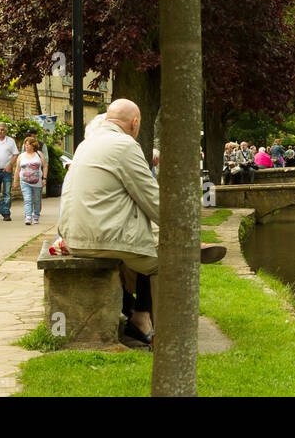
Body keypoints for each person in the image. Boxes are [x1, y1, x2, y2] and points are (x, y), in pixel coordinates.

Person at [59, 99, 224, 347]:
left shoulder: (85, 145)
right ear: (134, 123)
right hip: (100, 237)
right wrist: (186, 232)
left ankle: (139, 316)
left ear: (106, 119)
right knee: (167, 261)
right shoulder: (125, 145)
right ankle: (170, 338)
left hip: (74, 236)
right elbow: (152, 197)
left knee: (143, 247)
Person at [17, 136, 46, 226]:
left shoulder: (39, 154)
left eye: (28, 144)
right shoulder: (21, 156)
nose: (26, 146)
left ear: (33, 145)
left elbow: (45, 166)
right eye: (25, 144)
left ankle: (36, 215)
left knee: (37, 200)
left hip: (37, 181)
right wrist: (15, 181)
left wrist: (44, 178)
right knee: (27, 199)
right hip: (24, 181)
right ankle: (28, 217)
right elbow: (17, 169)